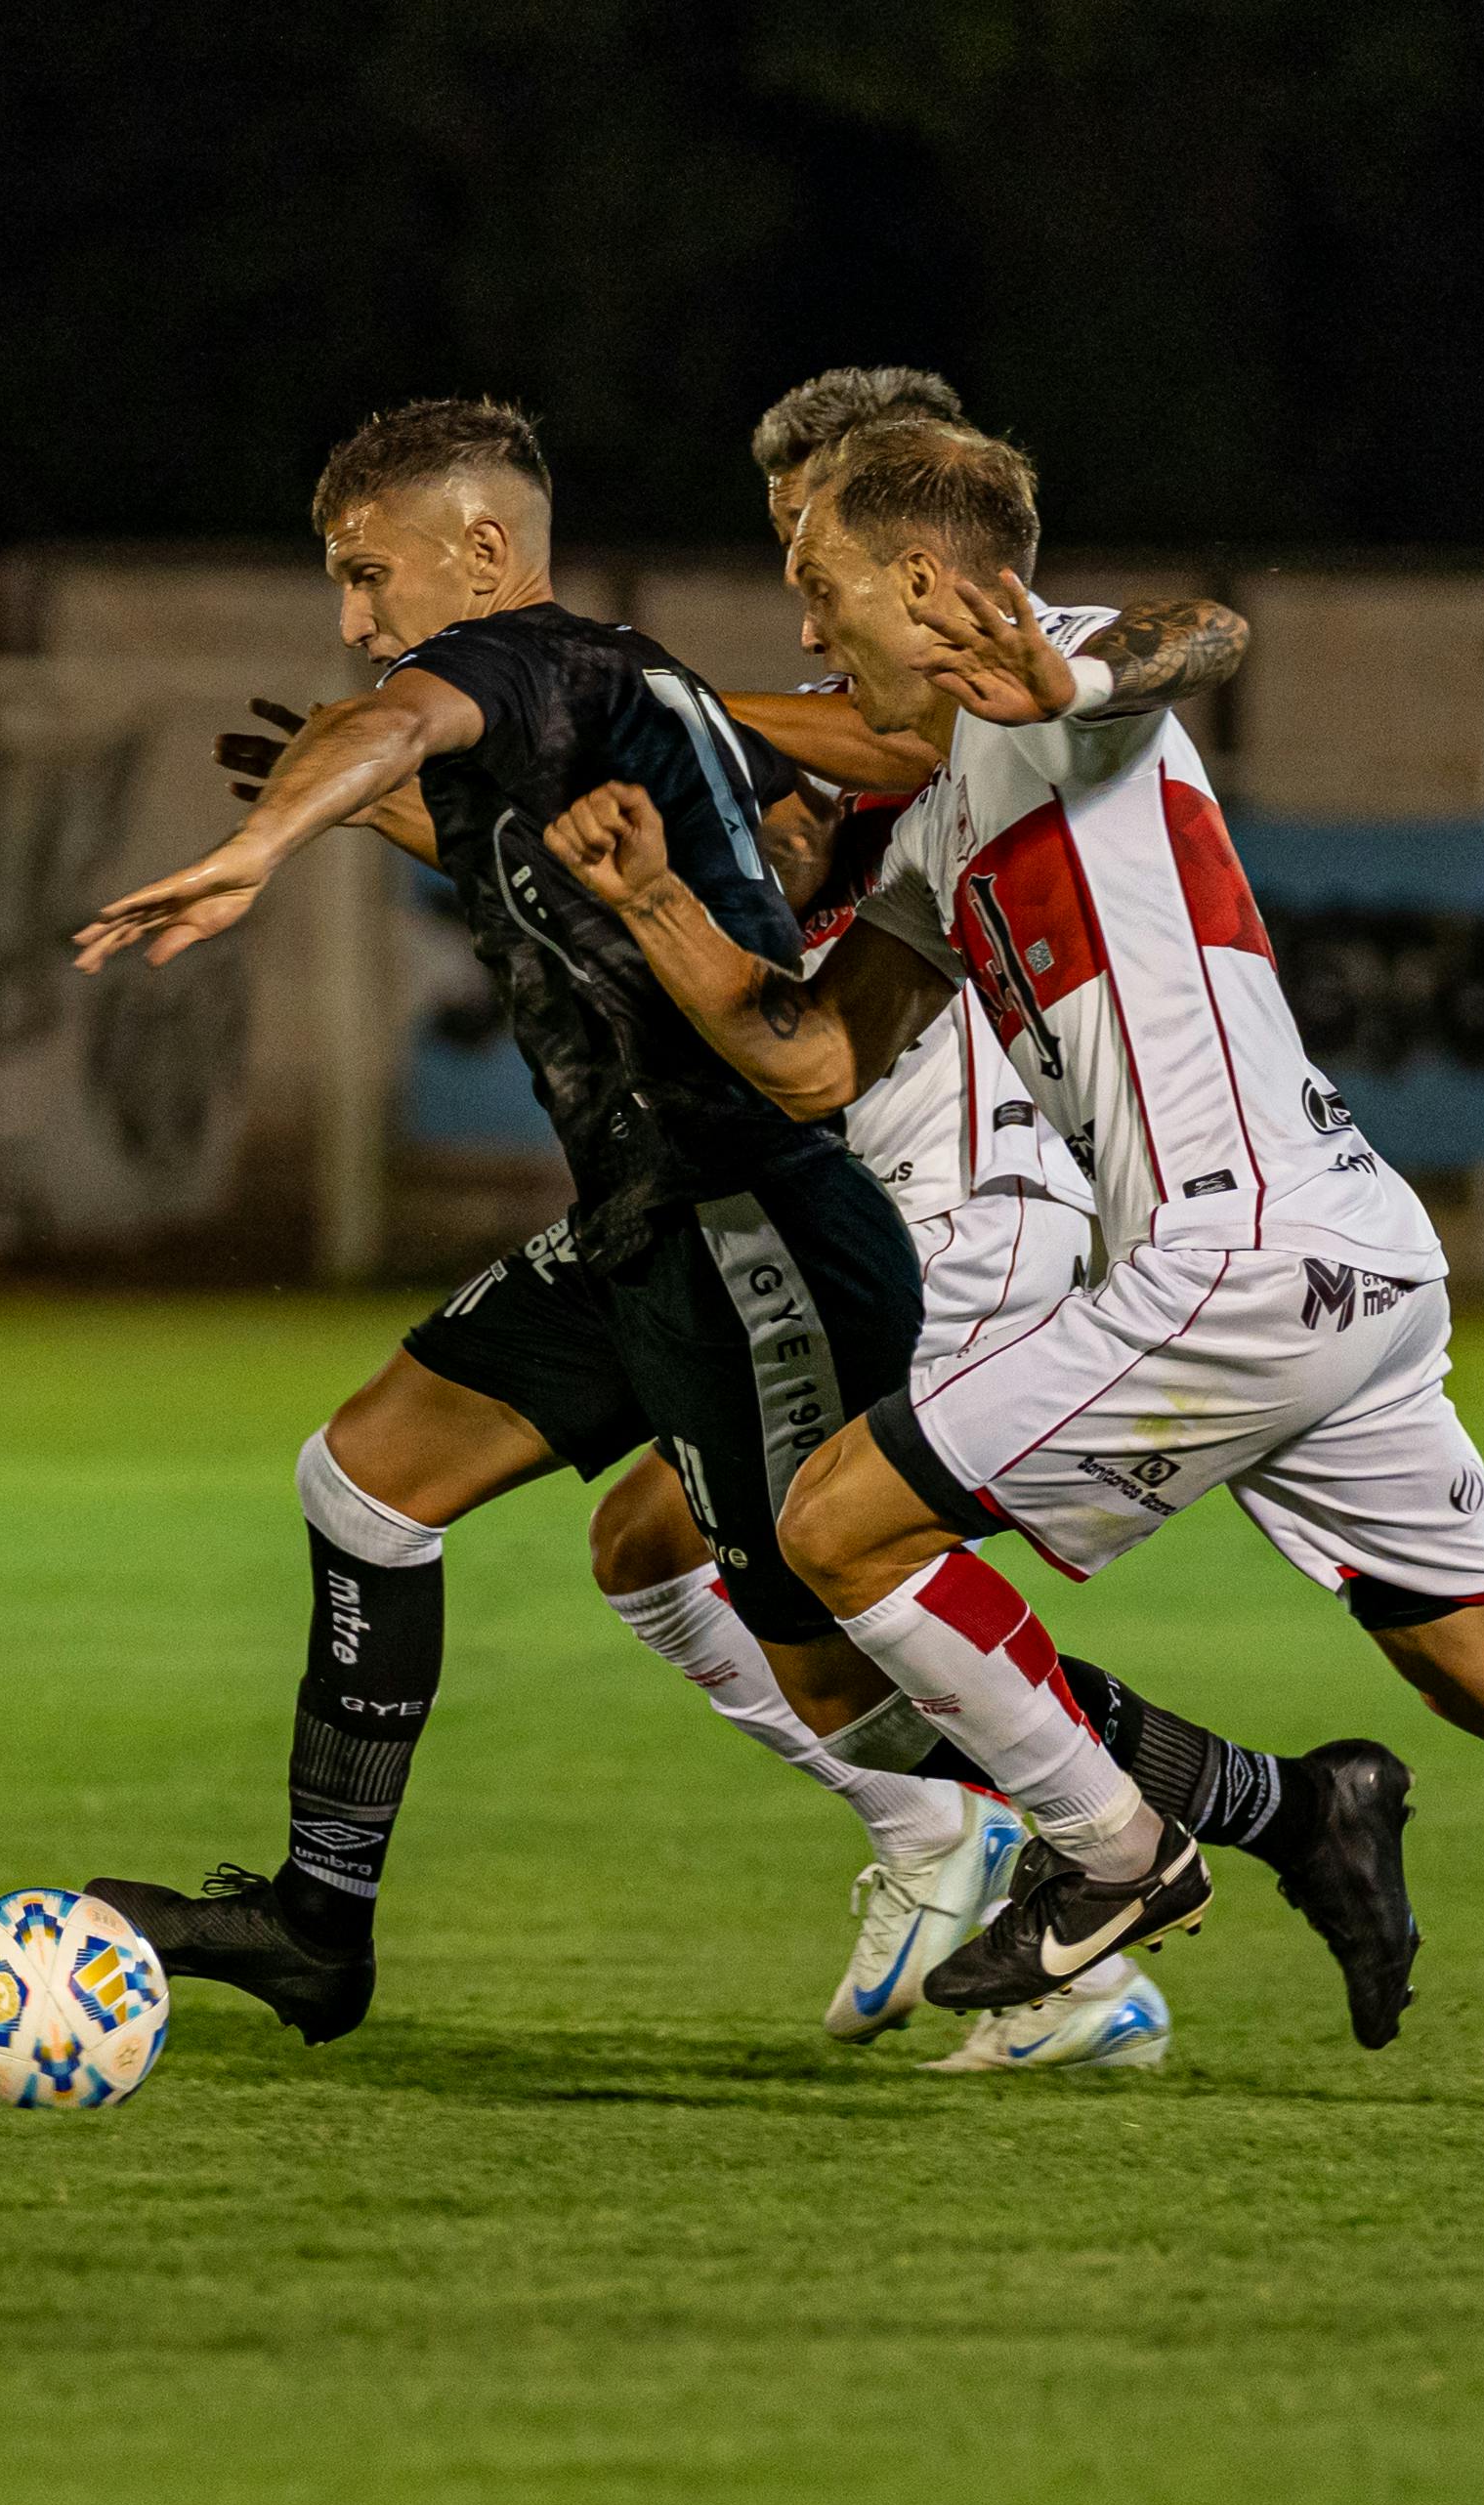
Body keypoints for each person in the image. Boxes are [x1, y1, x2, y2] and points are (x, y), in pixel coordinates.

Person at [545, 419, 1484, 2118]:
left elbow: (1192, 632)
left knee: (832, 1524)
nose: (811, 632)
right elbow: (817, 1063)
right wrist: (655, 905)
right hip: (1348, 1252)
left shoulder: (1066, 689)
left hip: (1237, 1254)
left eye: (820, 588)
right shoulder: (935, 826)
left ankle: (1117, 1848)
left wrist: (1064, 681)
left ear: (926, 582)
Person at [68, 399, 1401, 2056]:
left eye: (812, 548)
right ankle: (320, 1920)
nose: (799, 594)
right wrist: (399, 809)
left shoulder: (912, 711)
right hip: (670, 1206)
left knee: (841, 1638)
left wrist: (283, 832)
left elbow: (1154, 652)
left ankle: (1196, 1825)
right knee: (396, 1489)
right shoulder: (708, 715)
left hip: (861, 1210)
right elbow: (581, 861)